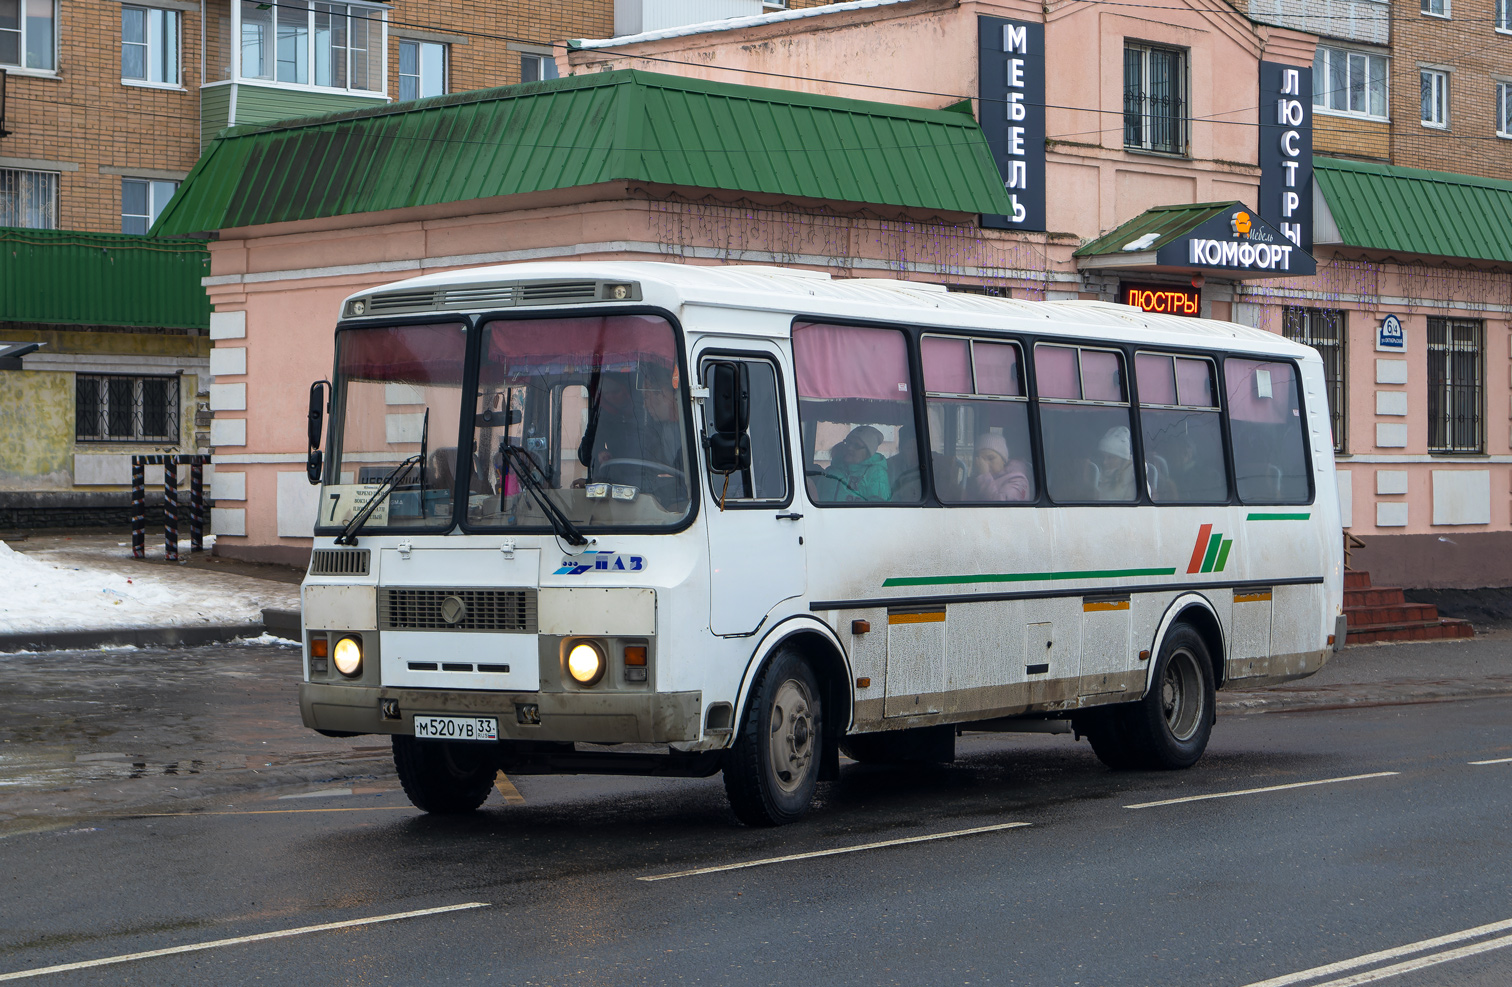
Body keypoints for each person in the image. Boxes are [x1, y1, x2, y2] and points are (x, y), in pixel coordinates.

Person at [816, 425, 891, 502]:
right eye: (848, 442)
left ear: (868, 453)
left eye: (857, 445)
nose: (849, 448)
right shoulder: (831, 471)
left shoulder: (876, 474)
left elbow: (879, 510)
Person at [966, 432, 1031, 502]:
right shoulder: (976, 480)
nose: (985, 464)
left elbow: (1002, 506)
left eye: (991, 458)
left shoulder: (1017, 480)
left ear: (1003, 460)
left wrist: (984, 476)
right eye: (981, 460)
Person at [1090, 425, 1136, 501]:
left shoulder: (1133, 479)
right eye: (1103, 457)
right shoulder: (1095, 473)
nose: (1105, 462)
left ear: (1123, 459)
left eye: (1111, 458)